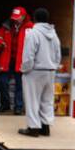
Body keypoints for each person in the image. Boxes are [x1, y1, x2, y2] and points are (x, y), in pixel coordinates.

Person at [19, 8, 61, 137]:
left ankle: (33, 128)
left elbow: (28, 56)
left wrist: (24, 69)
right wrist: (54, 66)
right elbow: (58, 55)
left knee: (32, 101)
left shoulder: (33, 33)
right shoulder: (54, 34)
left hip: (35, 72)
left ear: (34, 18)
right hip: (50, 71)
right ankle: (45, 126)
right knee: (47, 100)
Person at [0, 7, 32, 115]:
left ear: (23, 17)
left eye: (18, 18)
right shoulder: (6, 26)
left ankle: (18, 107)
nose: (15, 20)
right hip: (7, 59)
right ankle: (5, 105)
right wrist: (0, 42)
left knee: (19, 84)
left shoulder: (30, 28)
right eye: (14, 18)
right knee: (3, 82)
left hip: (21, 60)